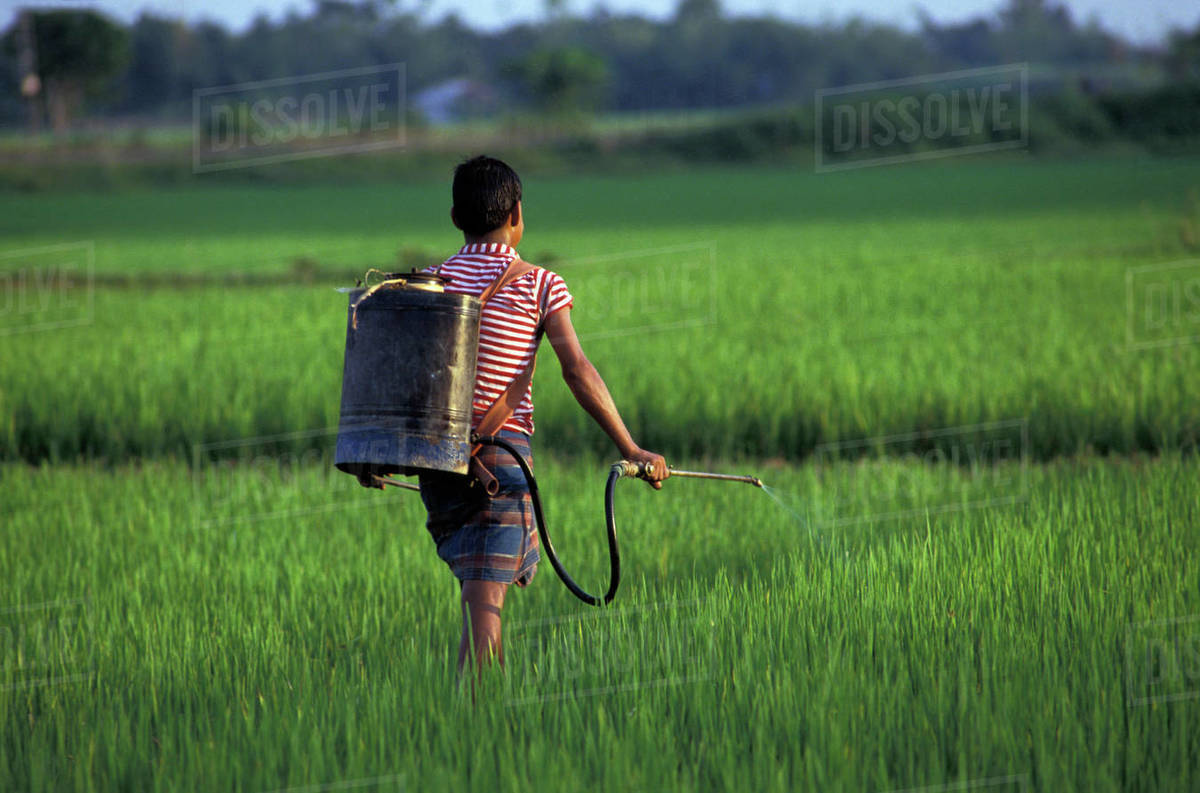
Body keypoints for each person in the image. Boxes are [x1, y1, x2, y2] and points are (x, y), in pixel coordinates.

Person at [364, 155, 668, 677]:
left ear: (456, 216)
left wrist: (373, 454)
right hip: (498, 467)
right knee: (485, 619)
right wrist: (630, 449)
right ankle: (477, 734)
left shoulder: (427, 284)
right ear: (518, 215)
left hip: (440, 469)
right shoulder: (541, 283)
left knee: (483, 606)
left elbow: (398, 381)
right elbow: (576, 371)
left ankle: (486, 727)